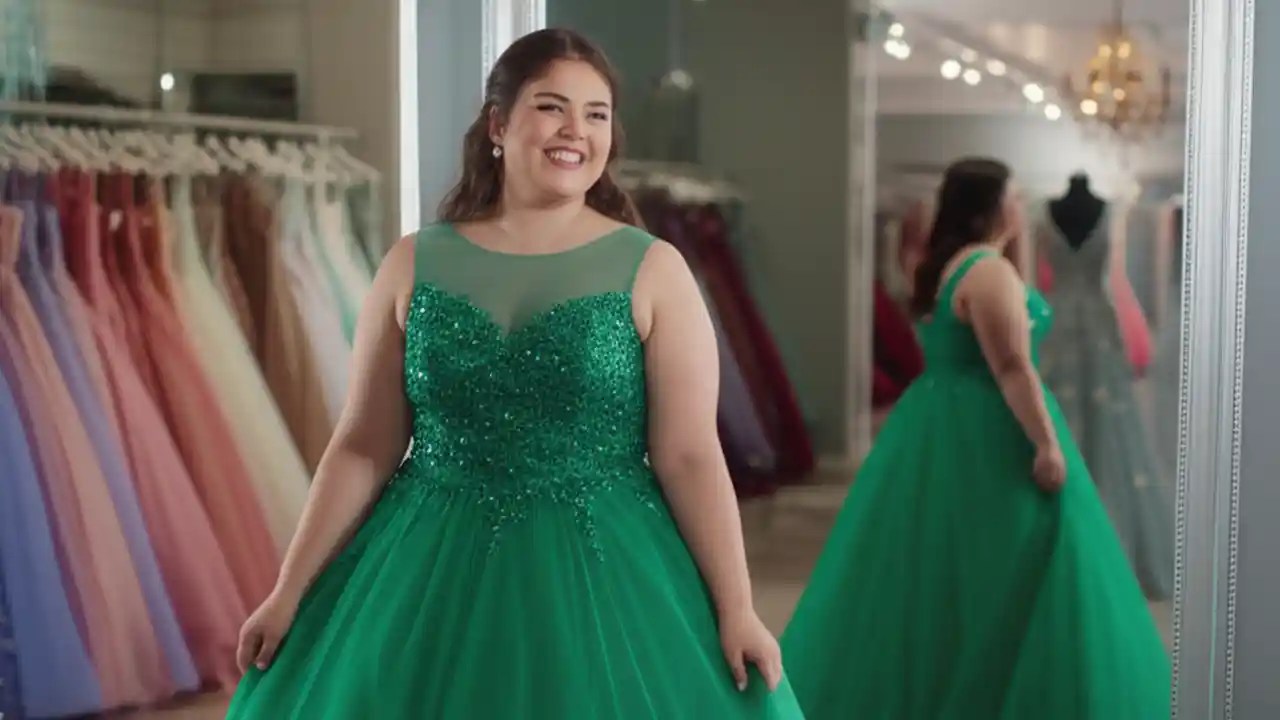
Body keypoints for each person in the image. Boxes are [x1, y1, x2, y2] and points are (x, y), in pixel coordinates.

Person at [225, 28, 803, 719]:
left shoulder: (654, 269)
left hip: (602, 562)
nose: (576, 130)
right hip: (425, 559)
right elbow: (363, 445)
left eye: (596, 114)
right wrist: (289, 590)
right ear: (498, 125)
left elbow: (688, 455)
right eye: (552, 107)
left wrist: (737, 607)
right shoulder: (412, 262)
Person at [780, 158, 1170, 719]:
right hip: (988, 429)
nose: (1020, 206)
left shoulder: (950, 267)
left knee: (952, 566)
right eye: (1012, 196)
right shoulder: (987, 273)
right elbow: (1012, 368)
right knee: (1018, 559)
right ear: (990, 206)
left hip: (943, 423)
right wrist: (1047, 444)